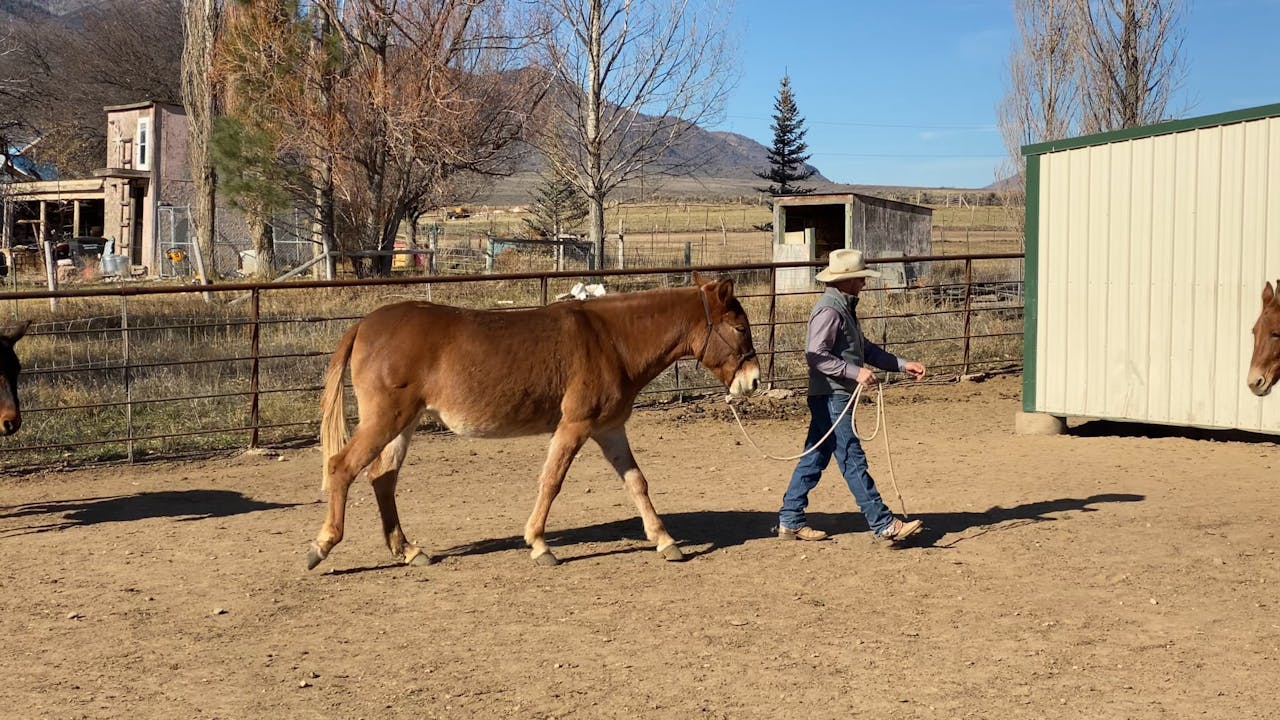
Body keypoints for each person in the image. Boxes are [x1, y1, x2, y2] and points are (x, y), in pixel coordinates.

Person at [777, 248, 926, 544]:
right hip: (832, 395)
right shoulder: (831, 309)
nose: (864, 284)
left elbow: (863, 348)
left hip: (830, 394)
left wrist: (900, 364)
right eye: (860, 279)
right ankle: (884, 523)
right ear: (846, 280)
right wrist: (853, 372)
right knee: (851, 456)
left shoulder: (842, 307)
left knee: (816, 457)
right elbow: (815, 354)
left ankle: (790, 518)